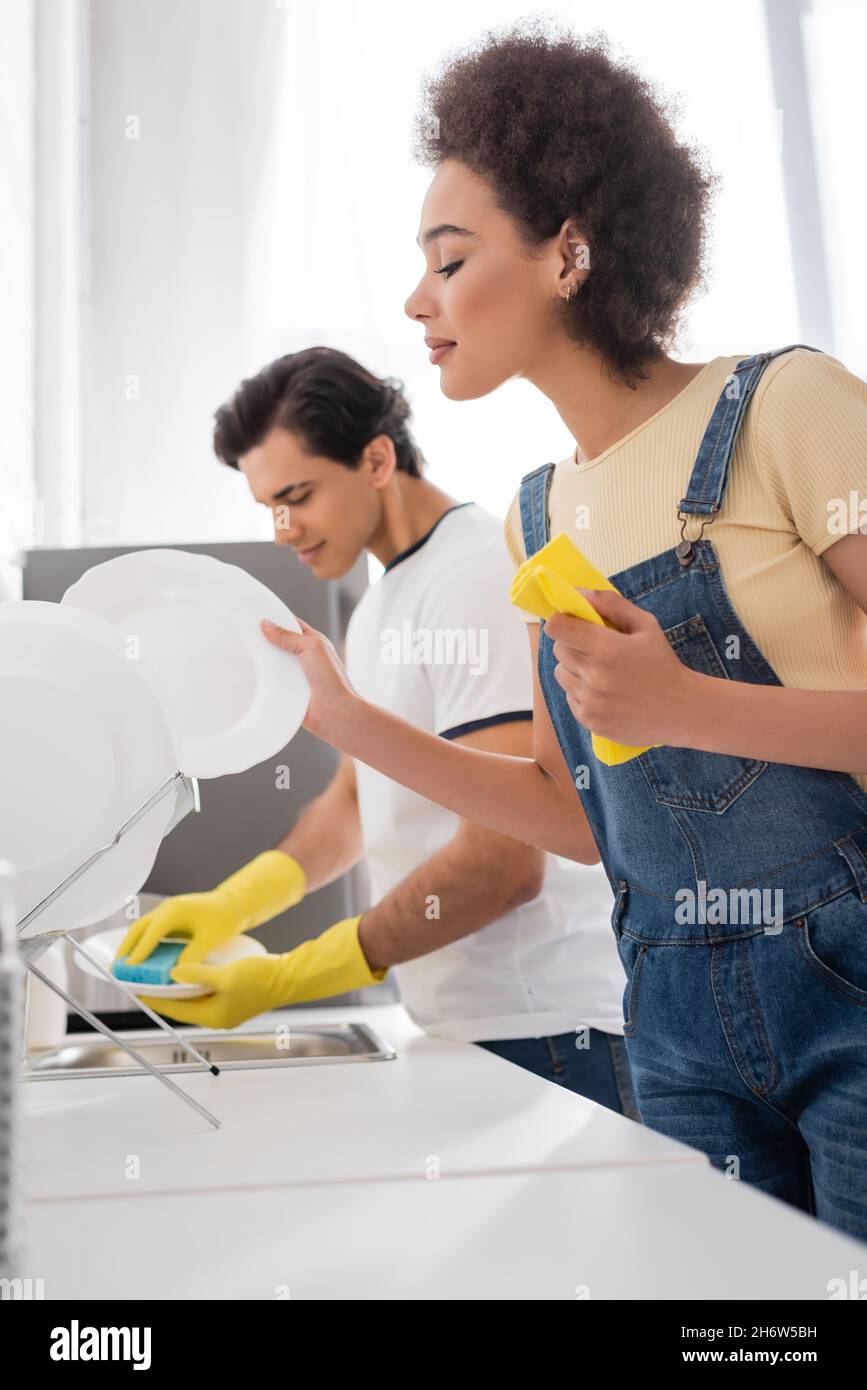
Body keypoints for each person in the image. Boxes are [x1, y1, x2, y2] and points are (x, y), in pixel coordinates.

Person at [253, 24, 867, 1242]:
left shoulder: (788, 406)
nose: (416, 300)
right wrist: (346, 719)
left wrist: (689, 704)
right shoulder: (542, 513)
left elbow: (669, 722)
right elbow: (575, 813)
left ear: (570, 251)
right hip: (676, 1026)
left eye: (449, 257)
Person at [120, 346, 638, 1117]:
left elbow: (505, 861)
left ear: (375, 458)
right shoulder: (378, 605)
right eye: (267, 506)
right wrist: (235, 902)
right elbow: (356, 802)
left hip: (547, 1028)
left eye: (296, 496)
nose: (282, 528)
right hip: (472, 1024)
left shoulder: (469, 578)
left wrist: (298, 974)